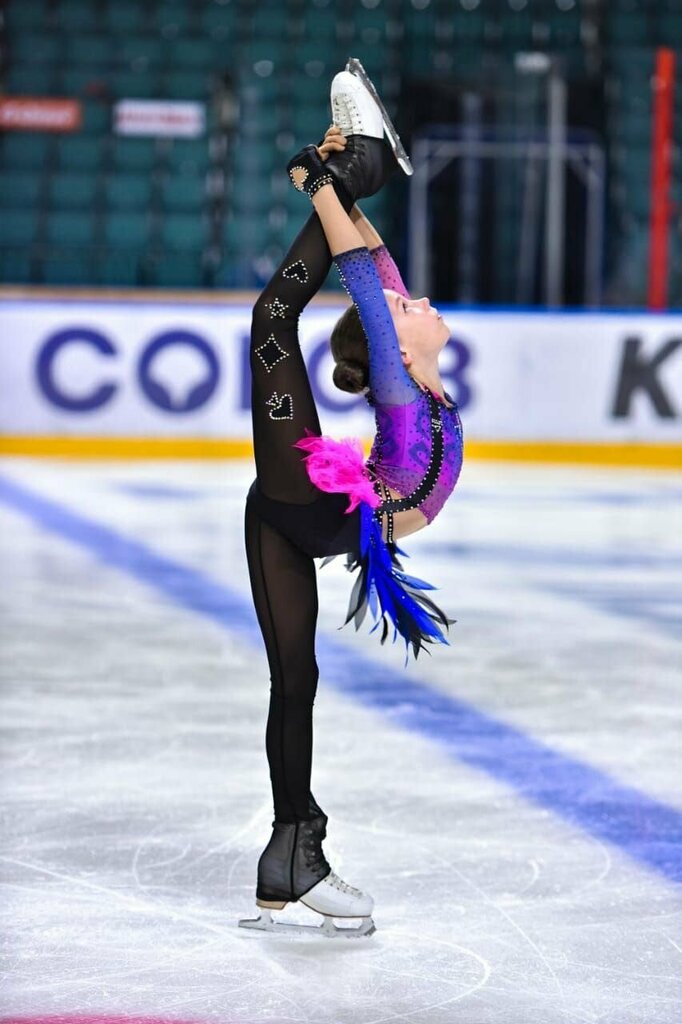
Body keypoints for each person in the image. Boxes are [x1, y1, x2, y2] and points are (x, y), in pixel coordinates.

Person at [239, 64, 464, 939]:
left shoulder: (412, 392)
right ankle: (291, 853)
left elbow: (374, 273)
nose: (421, 300)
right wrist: (333, 185)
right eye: (413, 308)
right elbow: (371, 277)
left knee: (297, 682)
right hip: (306, 506)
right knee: (270, 324)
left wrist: (331, 185)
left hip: (308, 516)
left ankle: (291, 853)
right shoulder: (408, 394)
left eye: (412, 310)